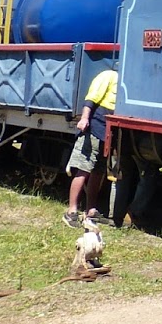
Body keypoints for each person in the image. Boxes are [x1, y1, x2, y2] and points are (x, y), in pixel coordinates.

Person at [65, 67, 118, 227]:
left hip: (108, 134)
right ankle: (71, 211)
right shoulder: (108, 75)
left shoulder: (125, 82)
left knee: (98, 173)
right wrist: (85, 119)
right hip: (95, 128)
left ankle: (91, 211)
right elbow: (91, 99)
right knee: (83, 169)